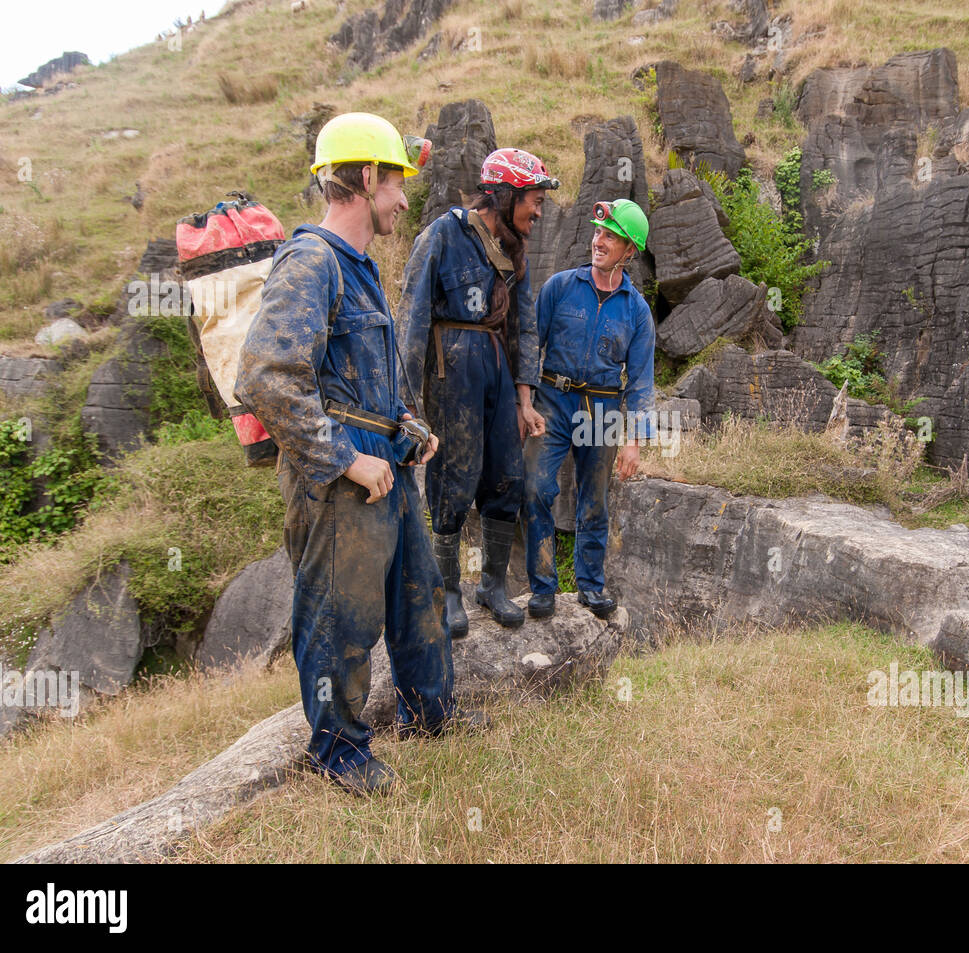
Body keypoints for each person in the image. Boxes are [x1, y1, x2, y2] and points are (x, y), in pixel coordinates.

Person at [237, 112, 474, 798]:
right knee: (339, 616)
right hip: (341, 478)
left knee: (419, 596)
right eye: (398, 182)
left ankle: (430, 714)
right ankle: (338, 750)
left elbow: (366, 383)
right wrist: (345, 458)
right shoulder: (310, 261)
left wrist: (407, 426)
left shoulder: (360, 269)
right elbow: (266, 375)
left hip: (386, 464)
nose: (405, 199)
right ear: (367, 177)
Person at [399, 148, 556, 638]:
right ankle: (447, 592)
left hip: (498, 371)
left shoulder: (514, 251)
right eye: (533, 199)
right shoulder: (444, 235)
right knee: (454, 478)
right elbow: (411, 319)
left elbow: (524, 326)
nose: (538, 211)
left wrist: (525, 399)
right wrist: (407, 408)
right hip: (452, 369)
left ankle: (492, 585)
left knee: (507, 475)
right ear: (505, 195)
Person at [523, 199, 655, 619]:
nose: (599, 241)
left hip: (601, 409)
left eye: (610, 237)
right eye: (598, 232)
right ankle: (543, 587)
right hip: (552, 400)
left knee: (594, 501)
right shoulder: (560, 287)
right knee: (536, 489)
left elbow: (641, 381)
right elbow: (529, 349)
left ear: (629, 250)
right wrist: (522, 404)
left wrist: (635, 441)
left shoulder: (636, 310)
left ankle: (591, 587)